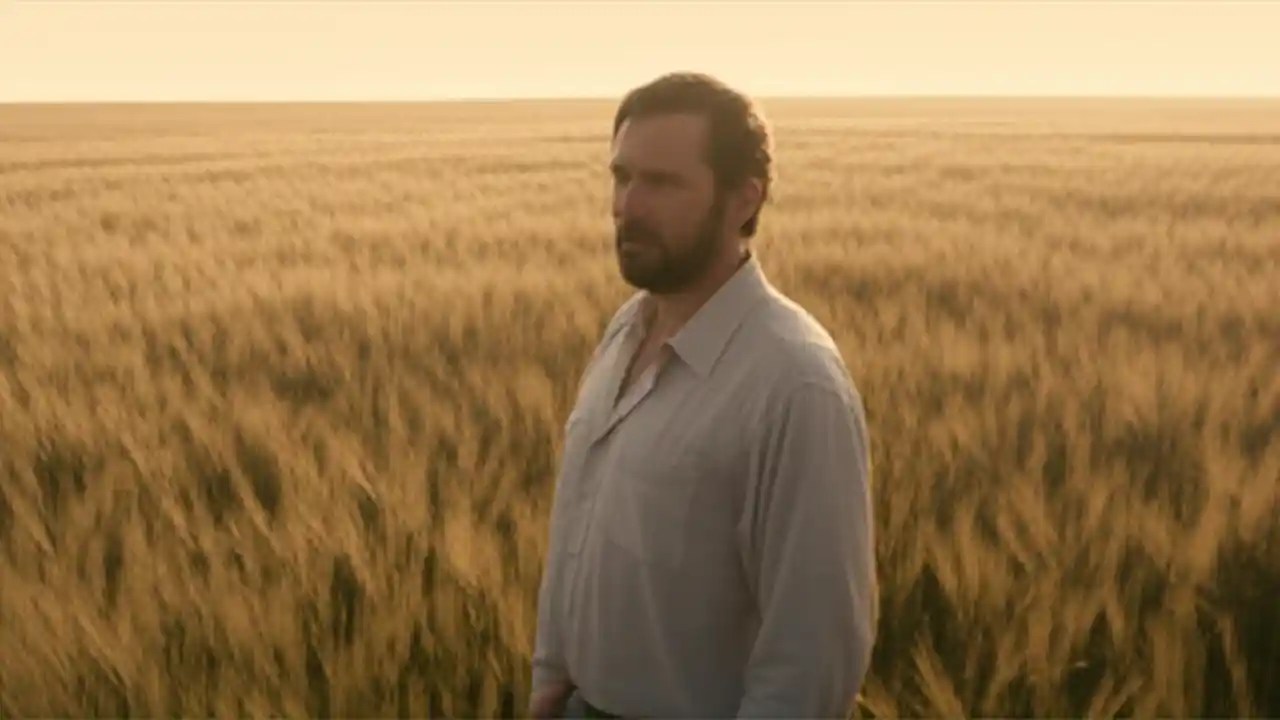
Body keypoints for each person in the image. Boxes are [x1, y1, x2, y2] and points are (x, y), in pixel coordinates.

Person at [528, 71, 878, 719]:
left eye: (661, 183)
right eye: (621, 177)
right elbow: (577, 521)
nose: (627, 206)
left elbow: (813, 654)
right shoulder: (625, 331)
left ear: (744, 199)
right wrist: (551, 677)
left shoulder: (794, 385)